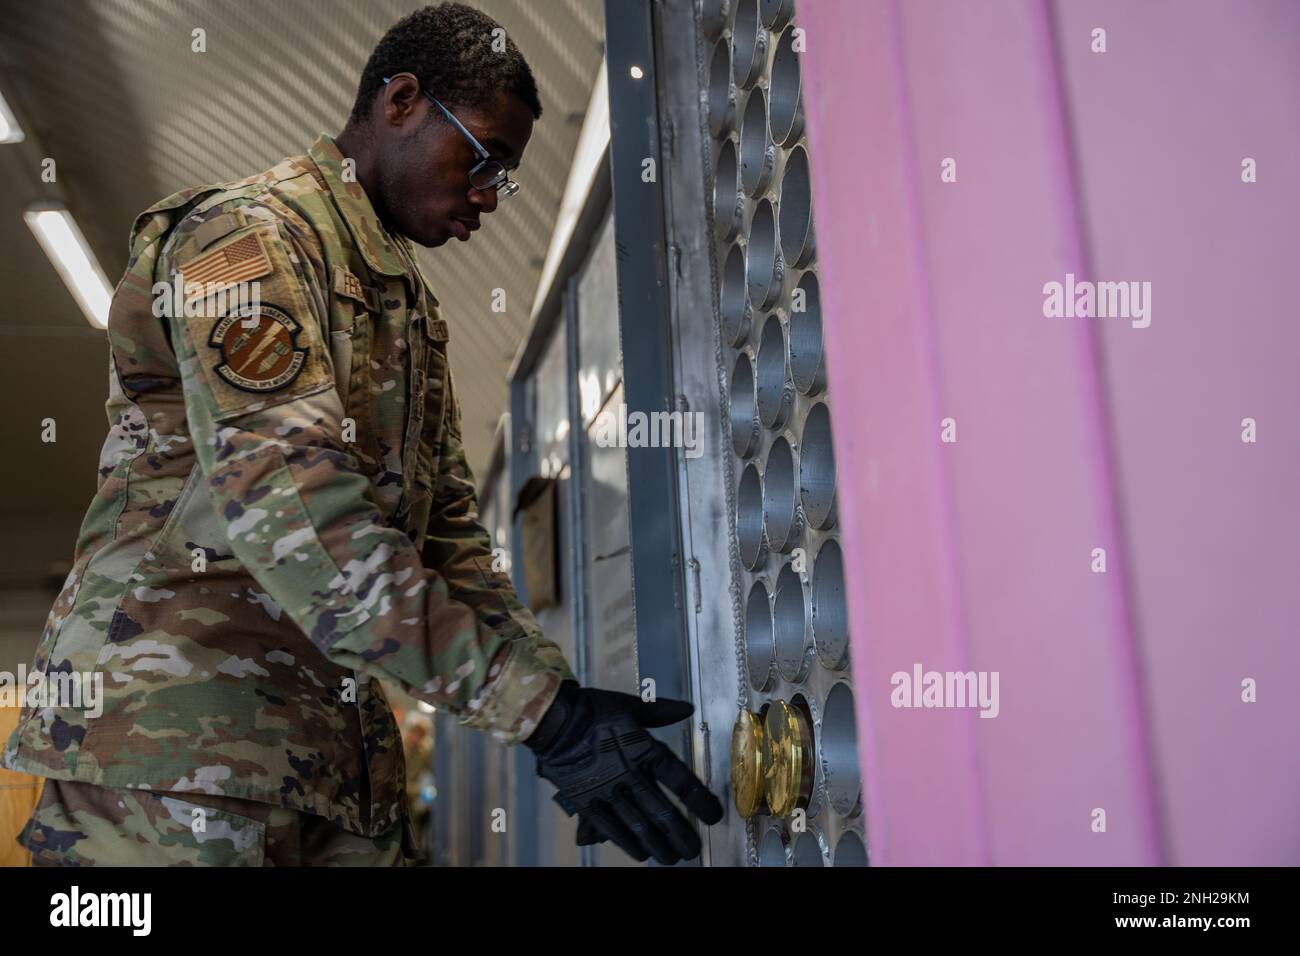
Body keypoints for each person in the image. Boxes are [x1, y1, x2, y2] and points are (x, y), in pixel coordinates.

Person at [4, 2, 721, 867]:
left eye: (507, 177)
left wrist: (563, 706)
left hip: (326, 759)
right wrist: (545, 719)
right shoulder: (245, 242)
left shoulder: (401, 302)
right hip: (172, 753)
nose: (490, 195)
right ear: (402, 101)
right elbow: (301, 517)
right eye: (483, 158)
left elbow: (449, 539)